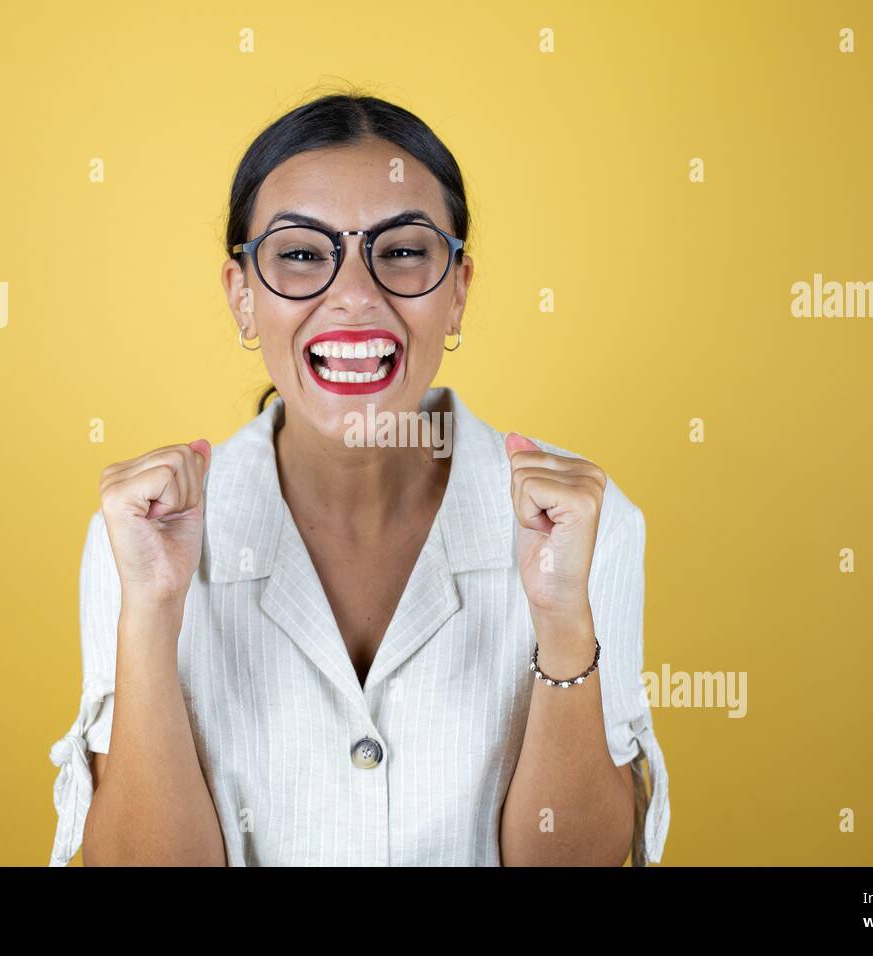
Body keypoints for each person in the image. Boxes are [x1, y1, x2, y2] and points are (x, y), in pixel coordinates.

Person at [48, 90, 669, 866]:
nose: (353, 296)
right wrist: (149, 616)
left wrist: (562, 621)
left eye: (403, 251)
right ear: (243, 298)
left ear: (458, 293)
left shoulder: (586, 525)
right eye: (302, 254)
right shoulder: (139, 534)